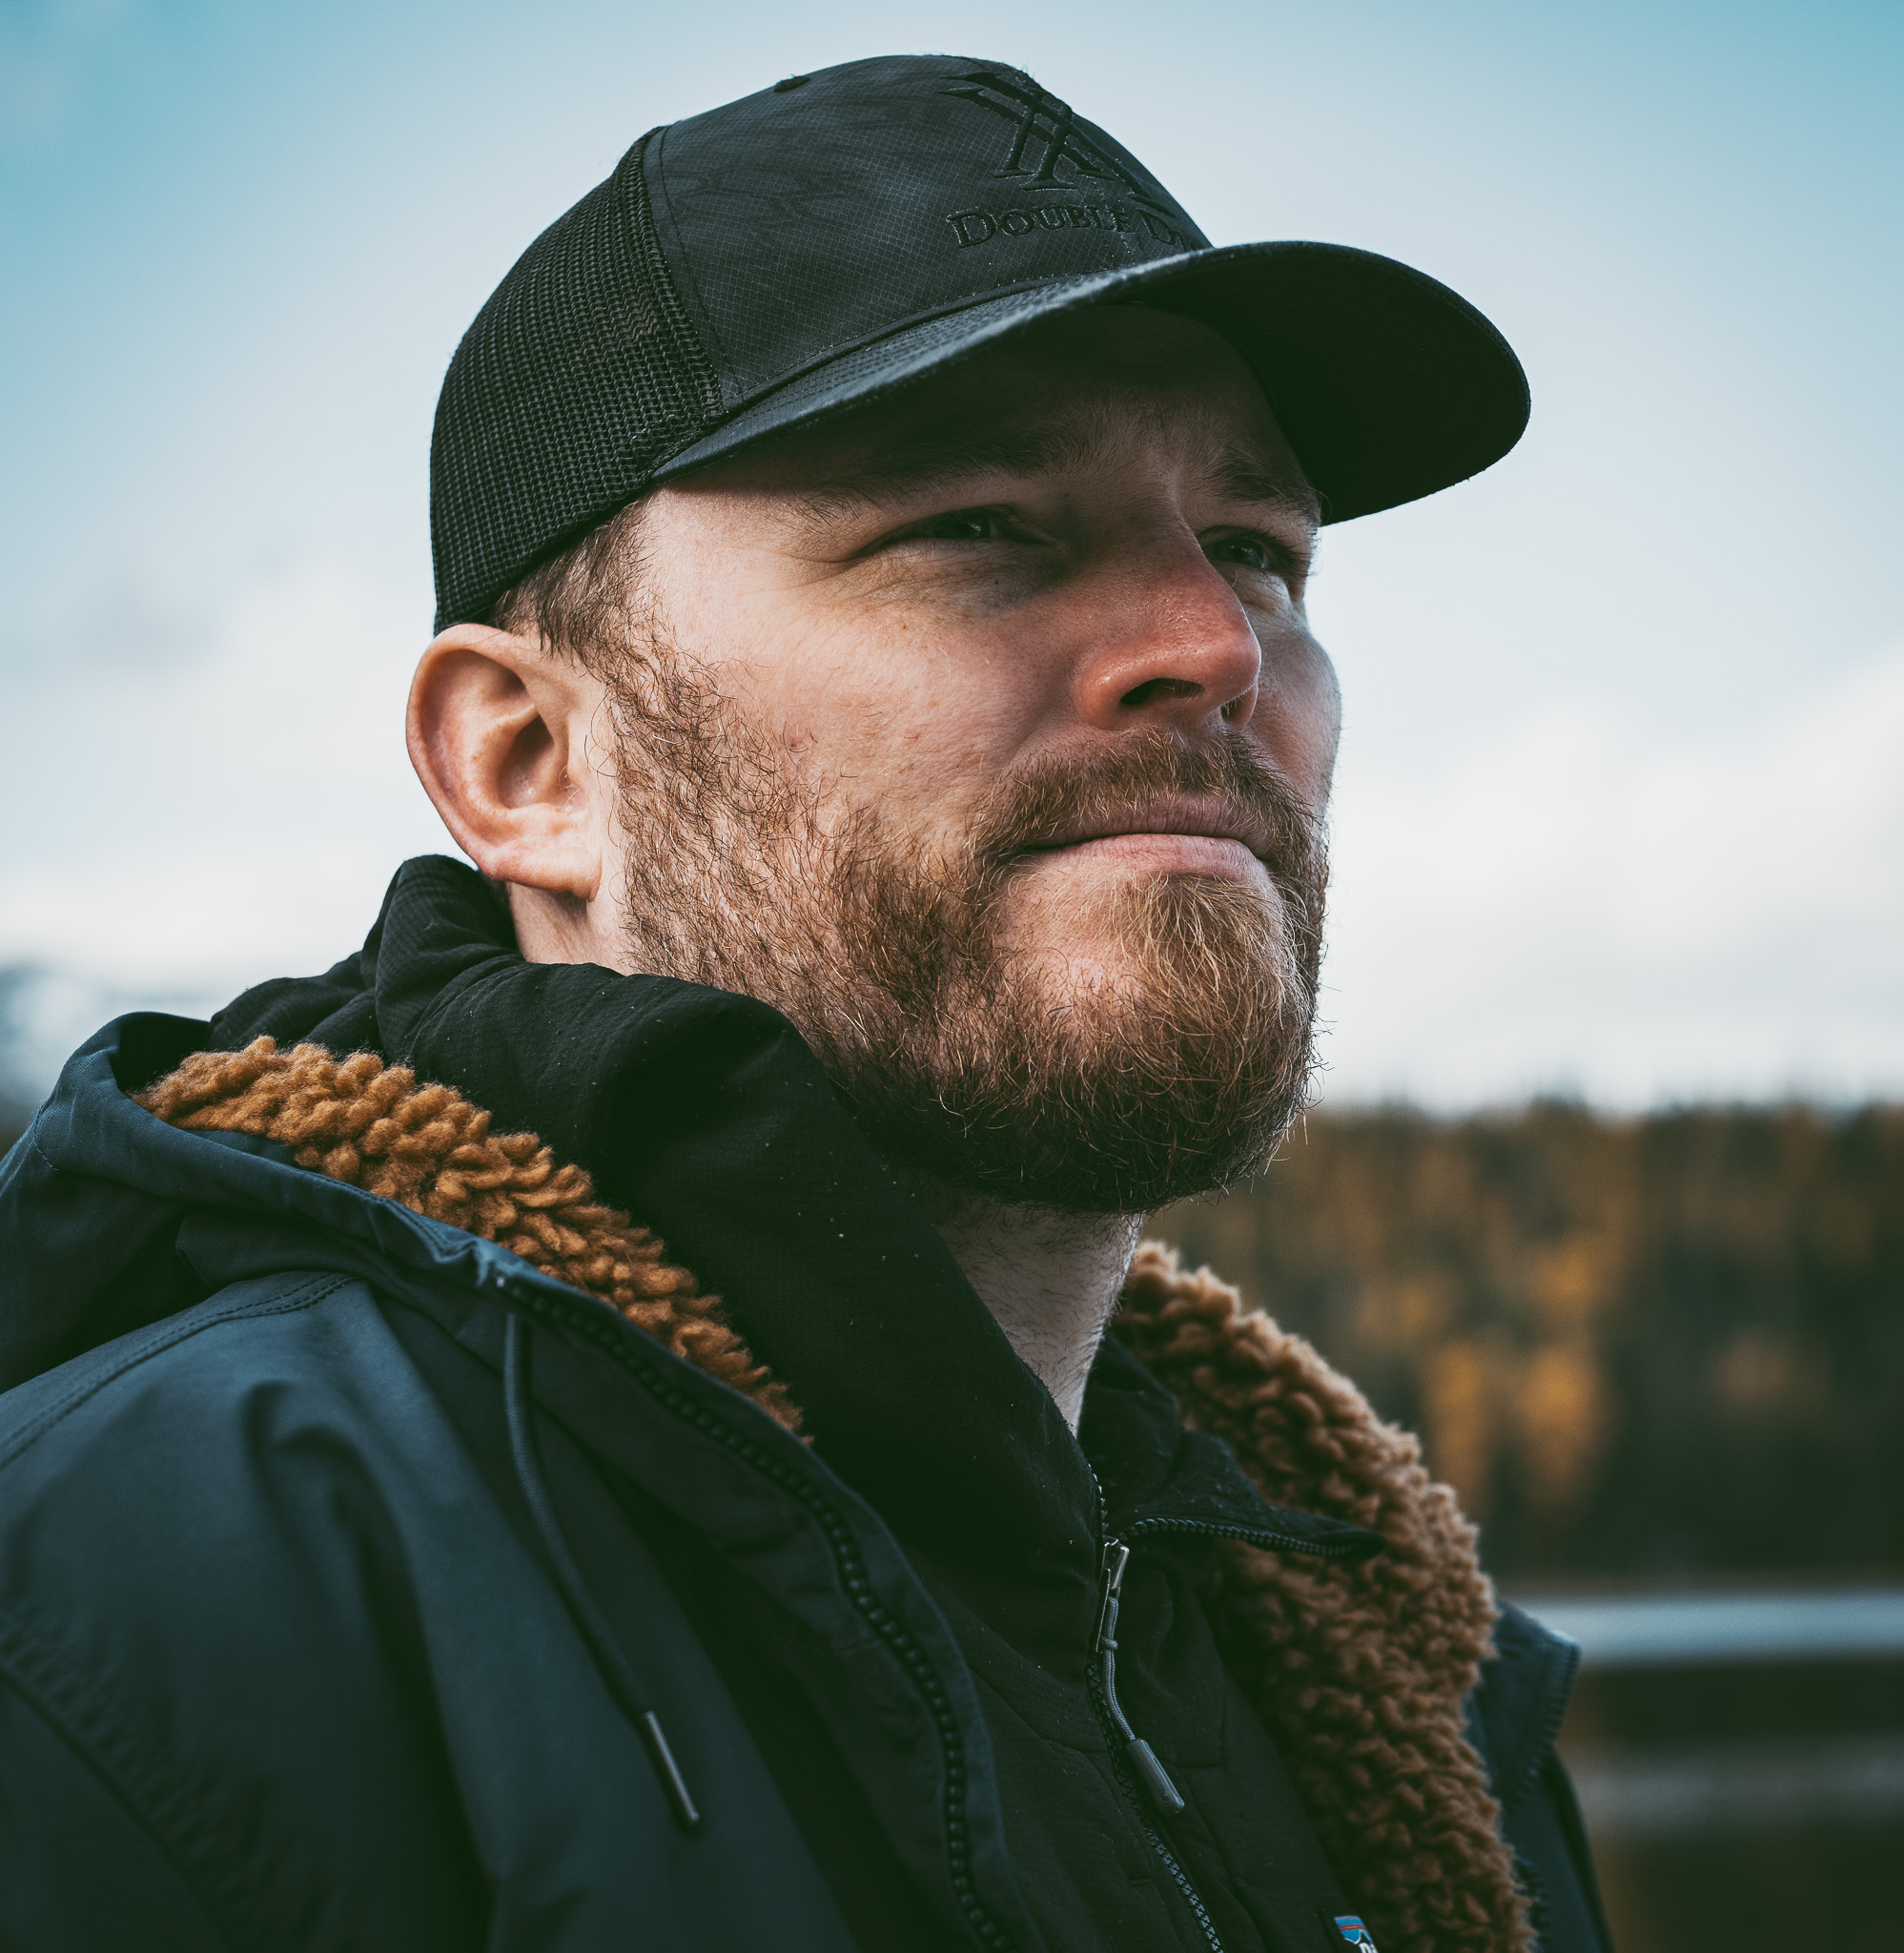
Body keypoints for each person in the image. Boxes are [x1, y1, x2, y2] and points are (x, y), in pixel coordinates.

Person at [0, 54, 1611, 1953]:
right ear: (529, 762)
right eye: (987, 524)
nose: (1214, 645)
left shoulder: (1389, 1673)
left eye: (1258, 550)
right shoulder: (114, 1616)